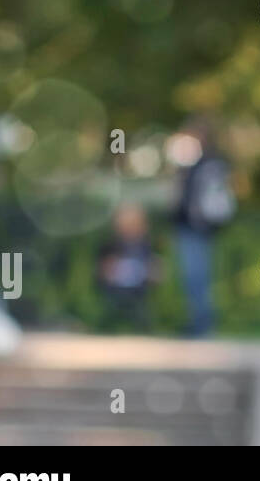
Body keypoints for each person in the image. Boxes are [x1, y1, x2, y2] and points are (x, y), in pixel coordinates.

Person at [170, 116, 235, 337]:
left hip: (198, 228)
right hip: (189, 226)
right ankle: (198, 321)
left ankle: (202, 324)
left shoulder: (209, 166)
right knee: (192, 276)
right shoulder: (191, 165)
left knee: (197, 275)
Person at [96, 202, 161, 332]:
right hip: (115, 285)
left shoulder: (146, 246)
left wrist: (152, 272)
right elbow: (103, 269)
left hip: (140, 286)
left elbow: (155, 268)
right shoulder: (110, 245)